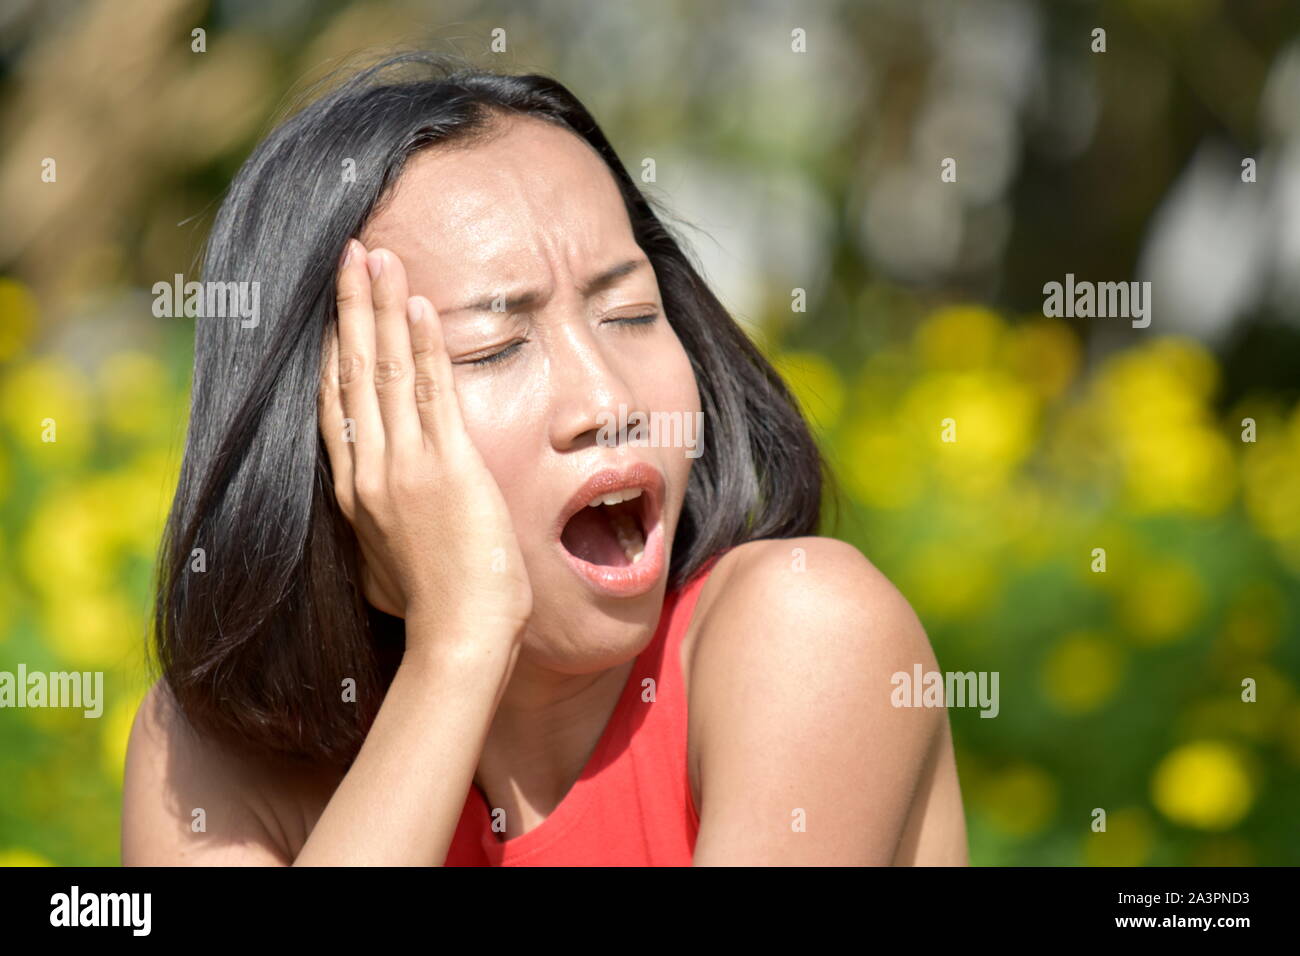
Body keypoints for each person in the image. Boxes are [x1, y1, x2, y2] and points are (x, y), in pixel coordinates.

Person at [121, 52, 968, 866]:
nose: (606, 403)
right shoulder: (208, 755)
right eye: (493, 347)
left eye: (633, 313)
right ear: (327, 423)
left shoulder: (806, 629)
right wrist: (457, 649)